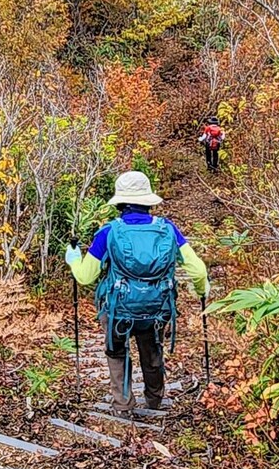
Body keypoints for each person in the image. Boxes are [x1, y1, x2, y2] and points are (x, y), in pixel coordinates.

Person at [65, 170, 208, 414]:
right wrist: (202, 290)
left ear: (120, 202)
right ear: (148, 201)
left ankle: (123, 404)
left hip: (118, 309)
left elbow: (85, 276)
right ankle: (154, 400)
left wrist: (74, 258)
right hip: (157, 308)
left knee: (117, 351)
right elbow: (198, 270)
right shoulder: (168, 230)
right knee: (152, 350)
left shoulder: (109, 232)